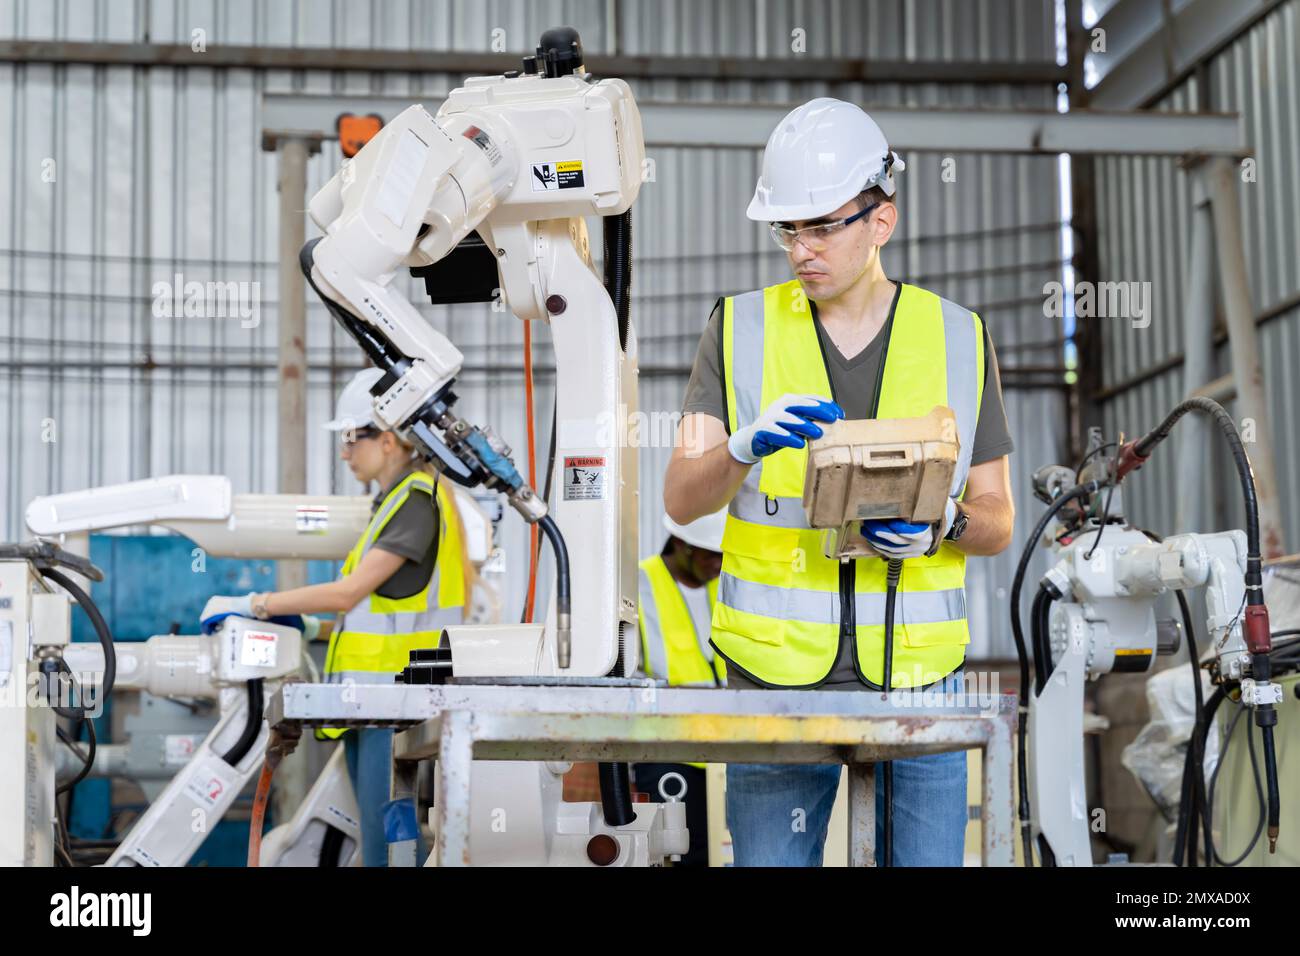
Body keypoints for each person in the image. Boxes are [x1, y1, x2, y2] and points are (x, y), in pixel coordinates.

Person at [662, 98, 1016, 866]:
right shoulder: (736, 329)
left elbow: (998, 520)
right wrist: (742, 449)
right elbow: (682, 496)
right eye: (787, 228)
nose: (800, 249)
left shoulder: (960, 336)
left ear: (880, 221)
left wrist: (942, 524)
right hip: (774, 678)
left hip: (920, 682)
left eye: (821, 226)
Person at [215, 367, 469, 866]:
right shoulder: (391, 503)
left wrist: (256, 604)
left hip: (396, 697)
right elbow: (374, 608)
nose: (344, 452)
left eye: (352, 438)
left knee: (386, 836)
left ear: (391, 438)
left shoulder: (416, 502)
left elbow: (348, 592)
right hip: (374, 702)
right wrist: (314, 628)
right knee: (376, 832)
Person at [633, 510, 727, 866]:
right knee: (675, 855)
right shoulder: (637, 584)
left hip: (726, 749)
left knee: (718, 854)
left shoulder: (726, 583)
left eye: (722, 554)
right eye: (709, 554)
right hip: (667, 746)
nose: (717, 563)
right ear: (680, 543)